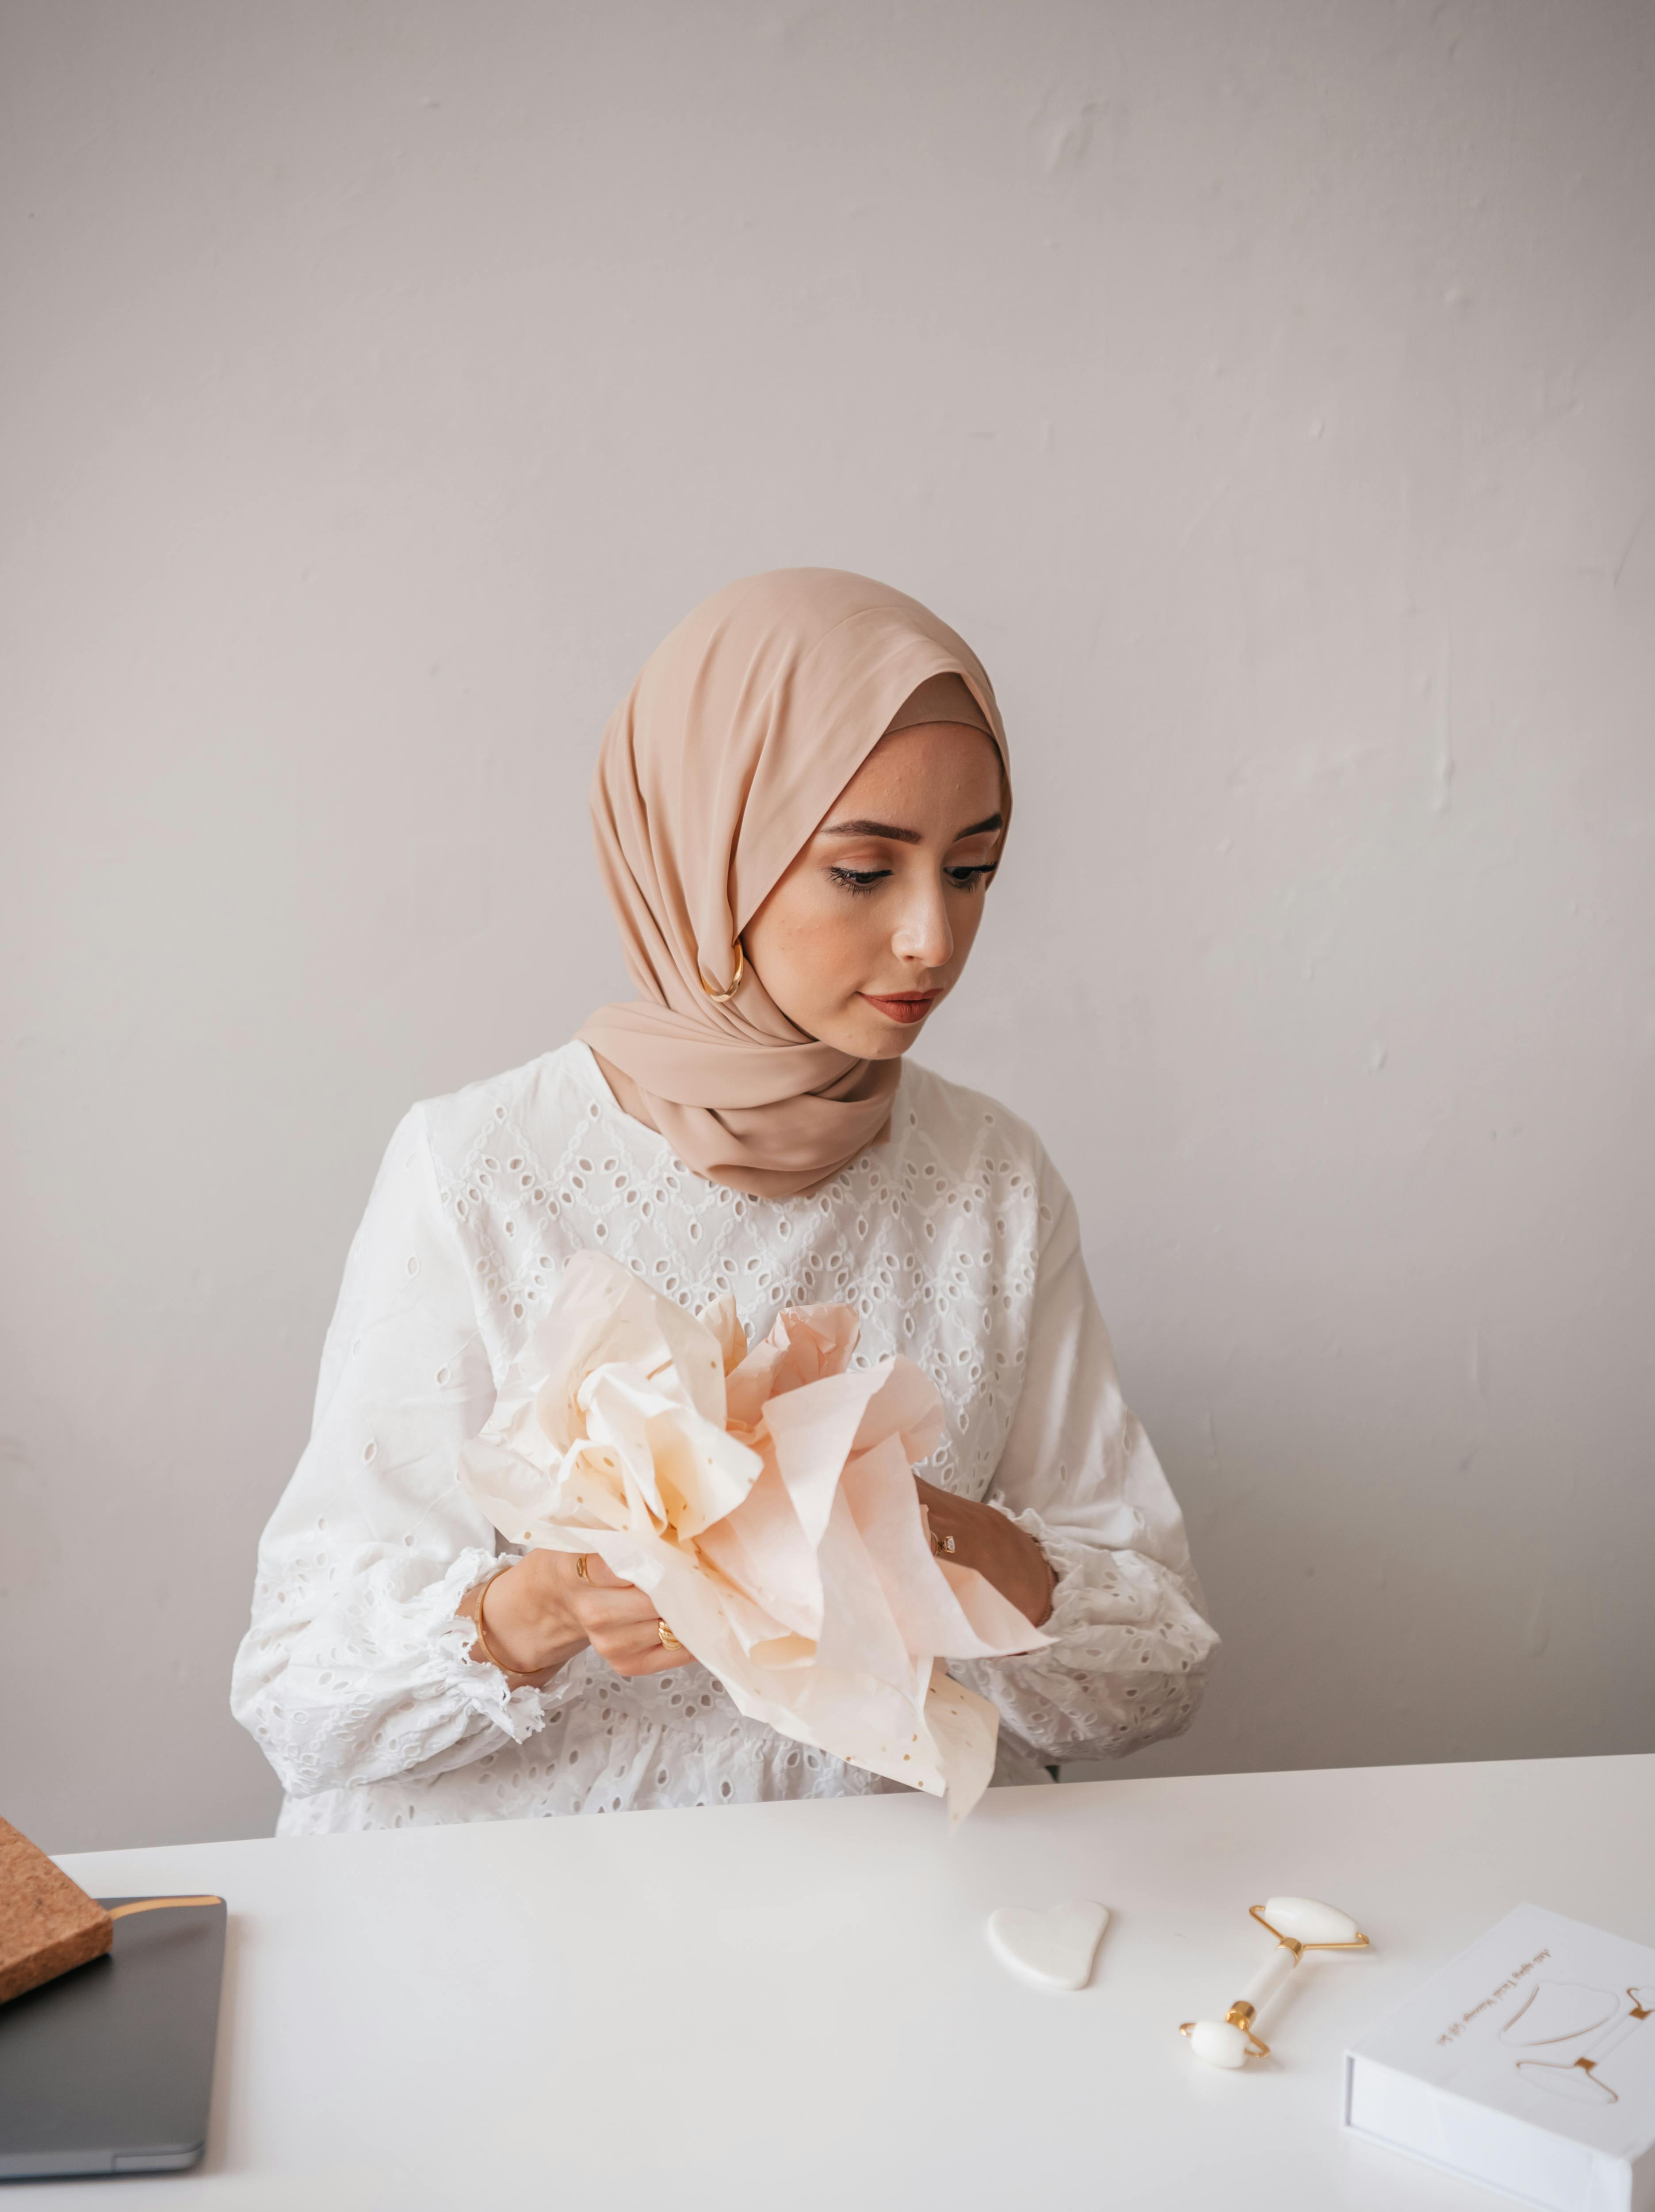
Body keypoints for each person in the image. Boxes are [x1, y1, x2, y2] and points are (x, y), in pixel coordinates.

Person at [232, 569, 1217, 1830]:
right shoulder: (481, 1165)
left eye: (972, 871)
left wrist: (924, 1542)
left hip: (886, 1919)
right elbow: (298, 1699)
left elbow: (1157, 1670)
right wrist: (536, 1612)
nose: (933, 938)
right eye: (864, 872)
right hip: (522, 1930)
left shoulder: (991, 1180)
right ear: (709, 852)